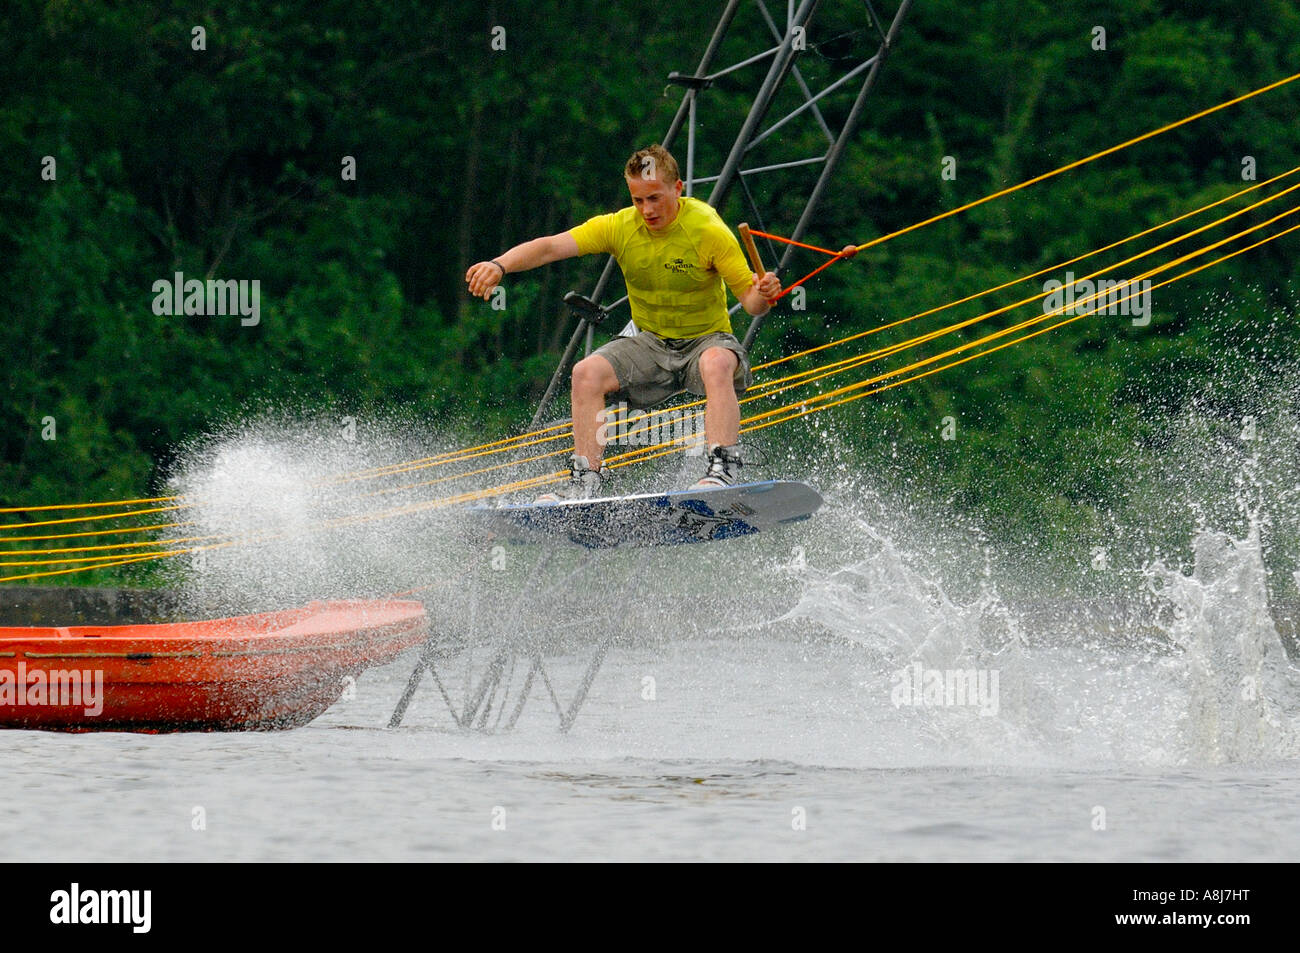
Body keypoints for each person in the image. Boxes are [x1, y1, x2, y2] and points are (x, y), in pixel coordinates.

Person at [465, 144, 781, 501]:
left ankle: (723, 469)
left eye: (655, 198)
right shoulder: (619, 227)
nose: (647, 210)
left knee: (717, 361)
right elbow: (551, 247)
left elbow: (752, 304)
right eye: (638, 200)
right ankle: (585, 482)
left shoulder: (708, 229)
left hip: (705, 341)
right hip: (649, 344)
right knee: (586, 373)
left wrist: (765, 294)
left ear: (678, 189)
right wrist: (500, 264)